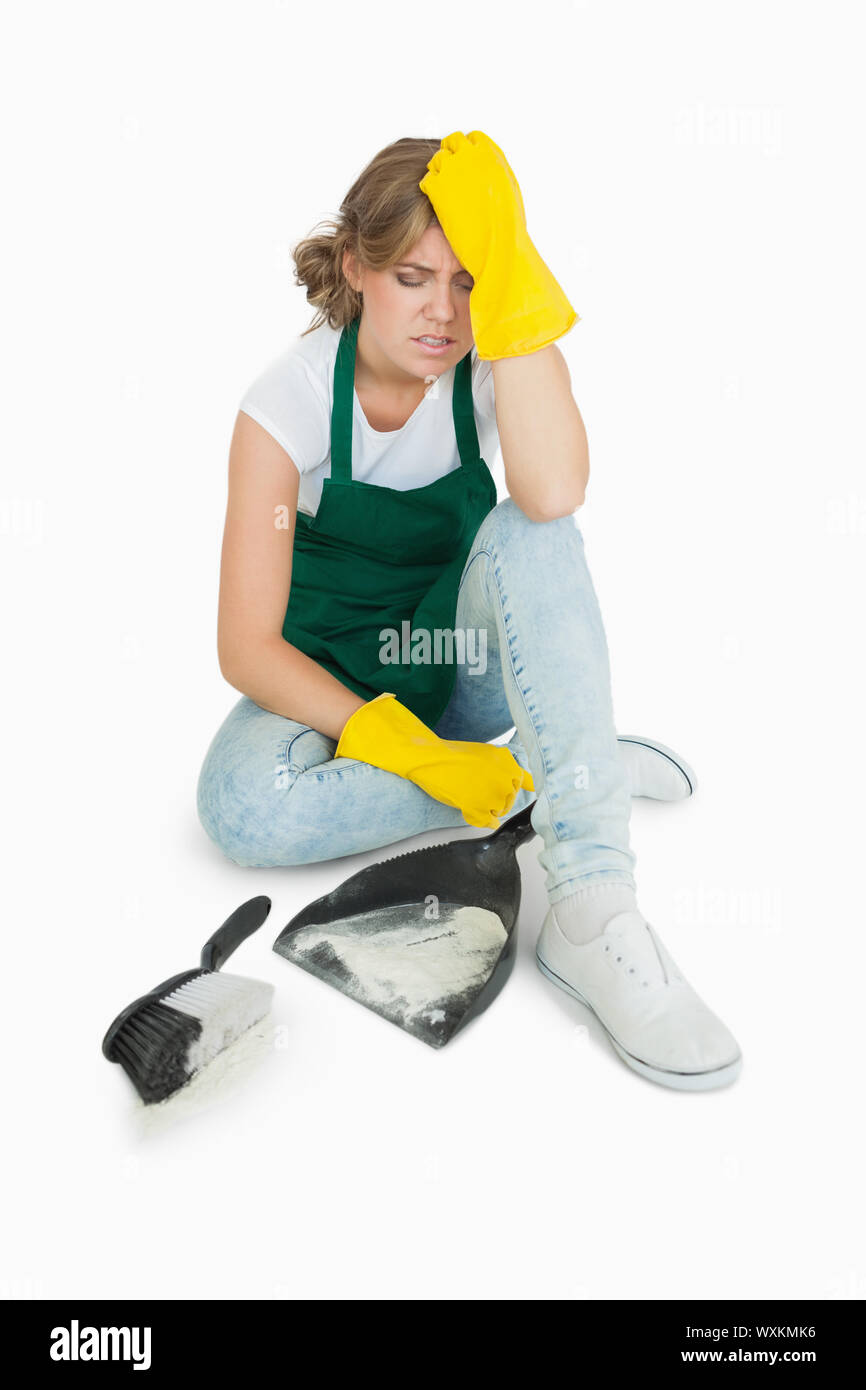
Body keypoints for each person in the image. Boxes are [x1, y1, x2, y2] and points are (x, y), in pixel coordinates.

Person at [196, 131, 742, 1091]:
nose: (444, 313)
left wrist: (517, 271)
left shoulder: (491, 365)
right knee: (240, 810)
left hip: (459, 665)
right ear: (359, 268)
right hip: (332, 689)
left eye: (468, 280)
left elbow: (557, 488)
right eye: (413, 277)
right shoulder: (283, 402)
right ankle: (559, 768)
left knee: (533, 523)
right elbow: (246, 646)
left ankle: (592, 903)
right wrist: (404, 747)